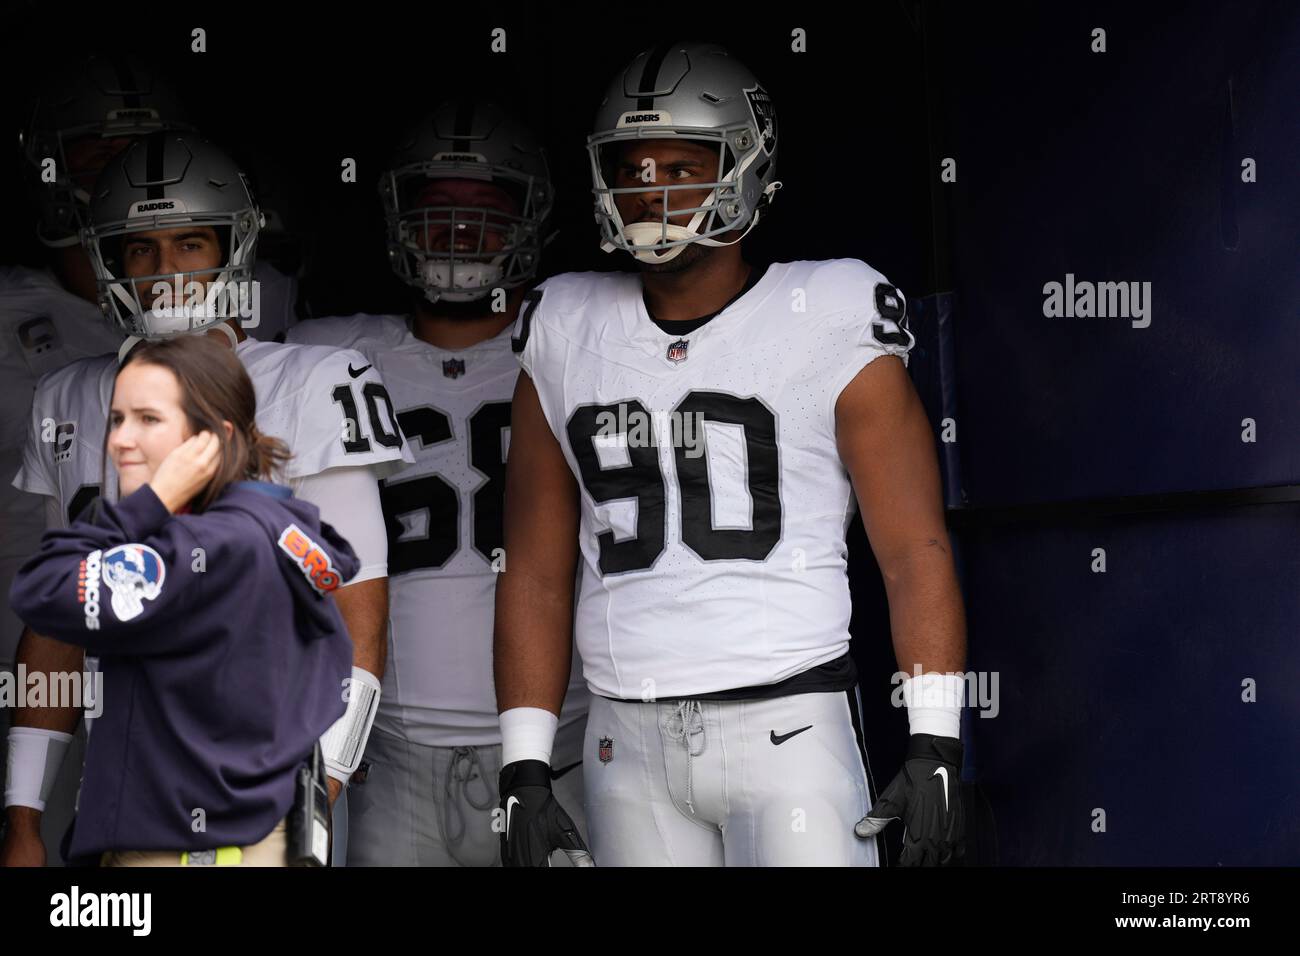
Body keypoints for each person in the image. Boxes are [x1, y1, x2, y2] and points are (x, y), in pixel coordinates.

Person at [494, 41, 968, 866]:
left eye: (682, 165)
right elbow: (535, 567)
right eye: (633, 167)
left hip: (787, 725)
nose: (652, 189)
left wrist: (935, 740)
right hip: (622, 738)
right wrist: (524, 761)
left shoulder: (828, 309)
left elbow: (911, 548)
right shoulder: (564, 325)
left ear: (745, 167)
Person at [2, 132, 412, 867]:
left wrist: (317, 798)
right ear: (106, 259)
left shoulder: (312, 382)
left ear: (234, 247)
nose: (166, 273)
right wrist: (24, 814)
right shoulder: (67, 399)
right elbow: (61, 626)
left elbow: (354, 620)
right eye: (140, 249)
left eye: (190, 243)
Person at [287, 101, 590, 866]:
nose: (459, 231)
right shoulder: (323, 358)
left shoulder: (585, 342)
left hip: (563, 744)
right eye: (436, 208)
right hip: (389, 752)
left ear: (536, 219)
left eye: (487, 209)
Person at [10, 334, 356, 866]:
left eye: (148, 420)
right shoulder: (255, 525)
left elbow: (45, 590)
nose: (121, 439)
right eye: (119, 419)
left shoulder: (228, 538)